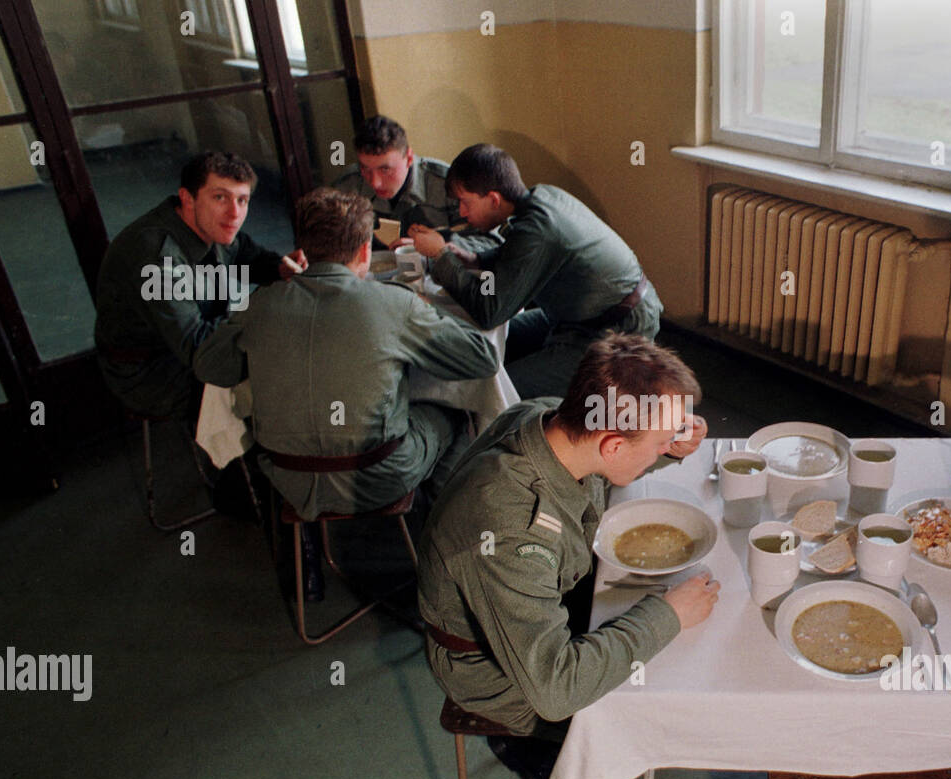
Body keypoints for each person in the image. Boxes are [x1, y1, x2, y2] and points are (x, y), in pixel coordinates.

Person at [417, 334, 713, 779]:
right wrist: (667, 615)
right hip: (495, 672)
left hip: (546, 596)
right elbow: (556, 689)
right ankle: (527, 747)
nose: (664, 451)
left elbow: (610, 457)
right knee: (658, 687)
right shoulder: (510, 529)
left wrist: (670, 438)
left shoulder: (551, 417)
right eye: (660, 445)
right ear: (614, 445)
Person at [194, 187, 500, 523]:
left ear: (304, 250)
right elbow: (482, 359)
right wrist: (425, 311)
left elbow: (209, 366)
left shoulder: (262, 303)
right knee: (455, 414)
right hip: (378, 476)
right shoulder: (393, 303)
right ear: (366, 249)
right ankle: (452, 528)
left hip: (287, 478)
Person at [408, 143, 664, 399]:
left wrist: (441, 257)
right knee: (483, 347)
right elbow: (517, 255)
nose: (462, 212)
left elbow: (489, 312)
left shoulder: (538, 229)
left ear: (494, 199)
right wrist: (474, 259)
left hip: (617, 330)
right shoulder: (541, 196)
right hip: (578, 317)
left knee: (499, 390)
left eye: (465, 203)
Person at [95, 151, 306, 420]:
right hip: (150, 371)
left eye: (243, 200)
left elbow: (249, 256)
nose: (234, 213)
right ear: (188, 199)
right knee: (276, 376)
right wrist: (266, 323)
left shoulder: (211, 223)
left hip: (186, 346)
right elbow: (200, 349)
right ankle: (256, 457)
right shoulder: (157, 258)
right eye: (220, 197)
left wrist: (281, 267)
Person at [333, 115, 457, 249]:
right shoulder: (348, 187)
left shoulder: (446, 183)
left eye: (385, 169)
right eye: (365, 168)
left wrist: (439, 247)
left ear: (409, 158)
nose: (375, 183)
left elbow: (479, 240)